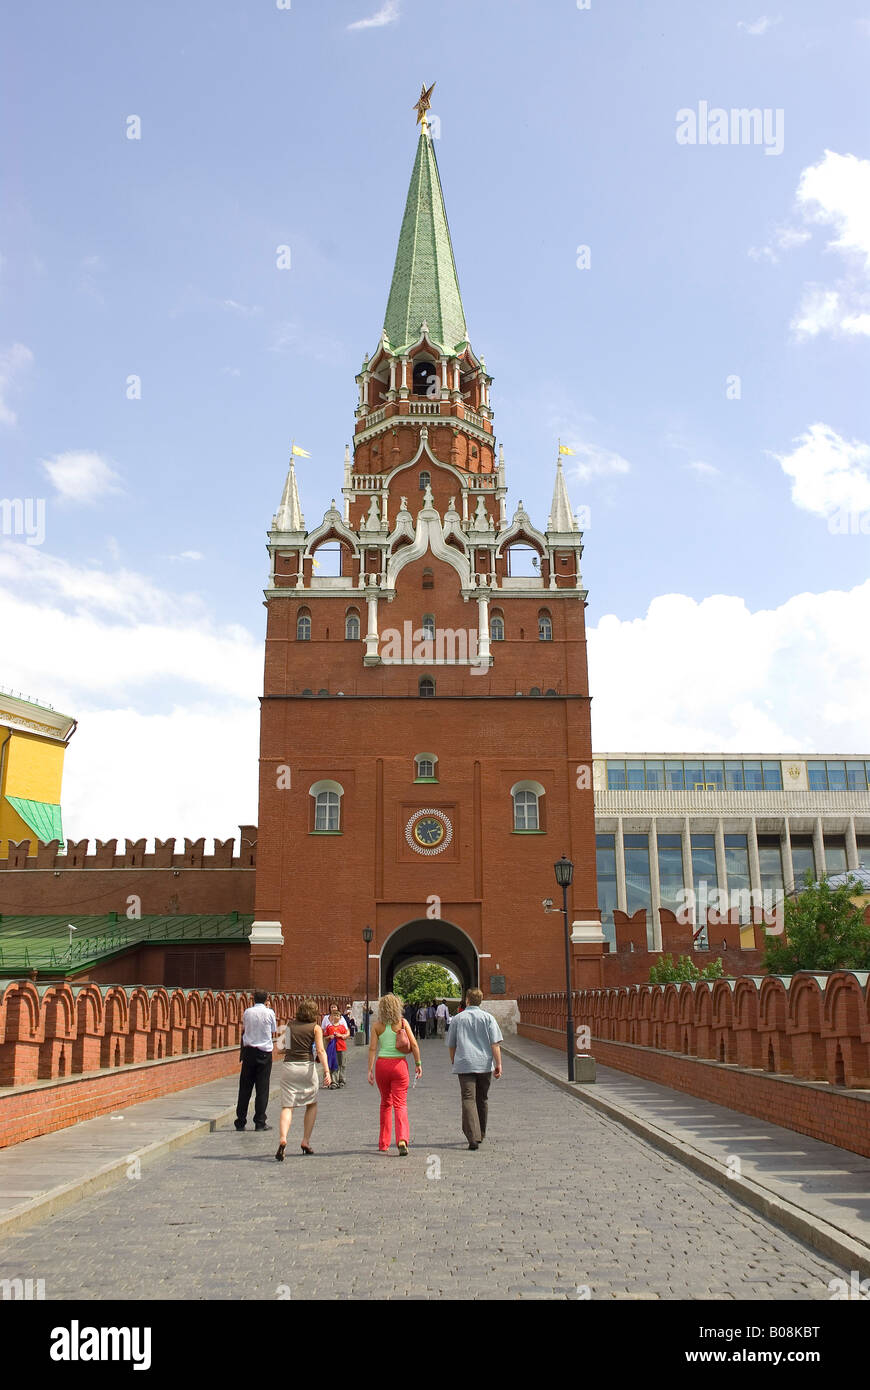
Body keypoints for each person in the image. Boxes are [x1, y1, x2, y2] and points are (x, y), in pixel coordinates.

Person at [447, 988, 503, 1150]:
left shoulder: (457, 1019)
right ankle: (481, 1134)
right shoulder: (488, 1018)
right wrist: (498, 1063)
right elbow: (495, 1044)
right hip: (485, 1064)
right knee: (482, 1098)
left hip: (464, 1064)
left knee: (468, 1098)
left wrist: (454, 1060)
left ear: (467, 1001)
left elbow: (452, 1045)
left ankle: (473, 1136)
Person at [275, 998, 331, 1160]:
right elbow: (320, 1050)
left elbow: (282, 1048)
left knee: (287, 1106)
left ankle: (283, 1138)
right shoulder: (316, 1028)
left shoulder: (290, 1025)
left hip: (289, 1067)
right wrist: (327, 1071)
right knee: (311, 1104)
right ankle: (305, 1141)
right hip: (306, 1067)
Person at [368, 992, 421, 1155]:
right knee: (400, 1104)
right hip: (399, 1065)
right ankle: (402, 1139)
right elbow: (414, 1044)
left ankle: (384, 1143)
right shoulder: (402, 1023)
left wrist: (369, 1069)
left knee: (385, 1103)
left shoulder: (377, 1026)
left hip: (382, 1065)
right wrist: (418, 1064)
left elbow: (372, 1049)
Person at [235, 989, 277, 1131]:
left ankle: (240, 1121)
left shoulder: (247, 1012)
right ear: (266, 999)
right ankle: (260, 1122)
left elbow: (245, 1028)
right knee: (262, 1089)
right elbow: (273, 1030)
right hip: (264, 1053)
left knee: (245, 1088)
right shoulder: (269, 1013)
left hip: (249, 1052)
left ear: (253, 998)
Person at [324, 1005, 350, 1088]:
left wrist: (341, 1035)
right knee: (334, 1064)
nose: (336, 1017)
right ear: (331, 1017)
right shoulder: (329, 1027)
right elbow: (325, 1037)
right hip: (333, 1049)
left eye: (337, 1015)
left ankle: (342, 1080)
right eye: (334, 1015)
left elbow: (346, 1035)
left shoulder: (342, 1027)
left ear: (340, 1017)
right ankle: (334, 1081)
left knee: (342, 1064)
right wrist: (329, 1037)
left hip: (342, 1047)